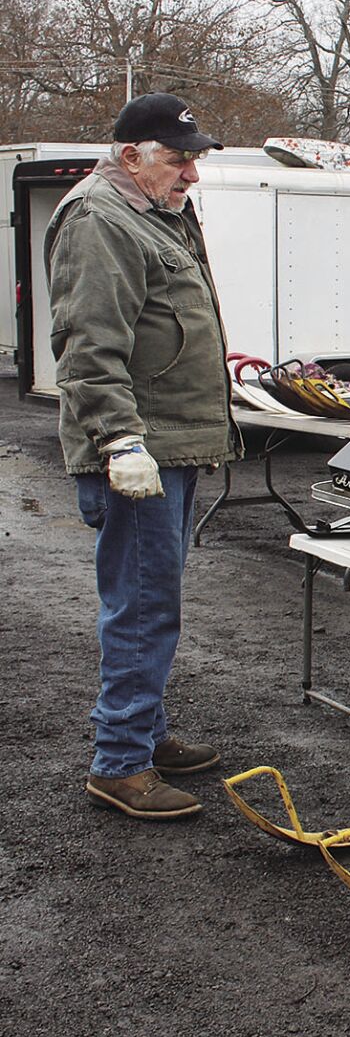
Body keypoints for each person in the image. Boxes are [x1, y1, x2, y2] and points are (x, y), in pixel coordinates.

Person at [49, 93, 236, 820]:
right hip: (139, 450)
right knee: (142, 605)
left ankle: (145, 733)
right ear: (132, 155)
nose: (192, 172)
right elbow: (89, 345)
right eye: (179, 157)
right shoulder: (102, 217)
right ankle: (119, 762)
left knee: (153, 595)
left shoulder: (155, 209)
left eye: (196, 157)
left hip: (170, 445)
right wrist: (118, 440)